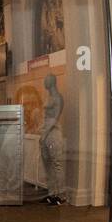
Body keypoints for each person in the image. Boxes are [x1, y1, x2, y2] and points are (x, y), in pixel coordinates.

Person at [40, 74, 67, 205]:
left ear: (51, 81)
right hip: (45, 131)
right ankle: (51, 193)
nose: (44, 82)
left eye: (46, 80)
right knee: (47, 164)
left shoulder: (58, 98)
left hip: (53, 132)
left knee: (57, 164)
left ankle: (60, 195)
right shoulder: (49, 97)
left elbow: (55, 118)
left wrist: (45, 134)